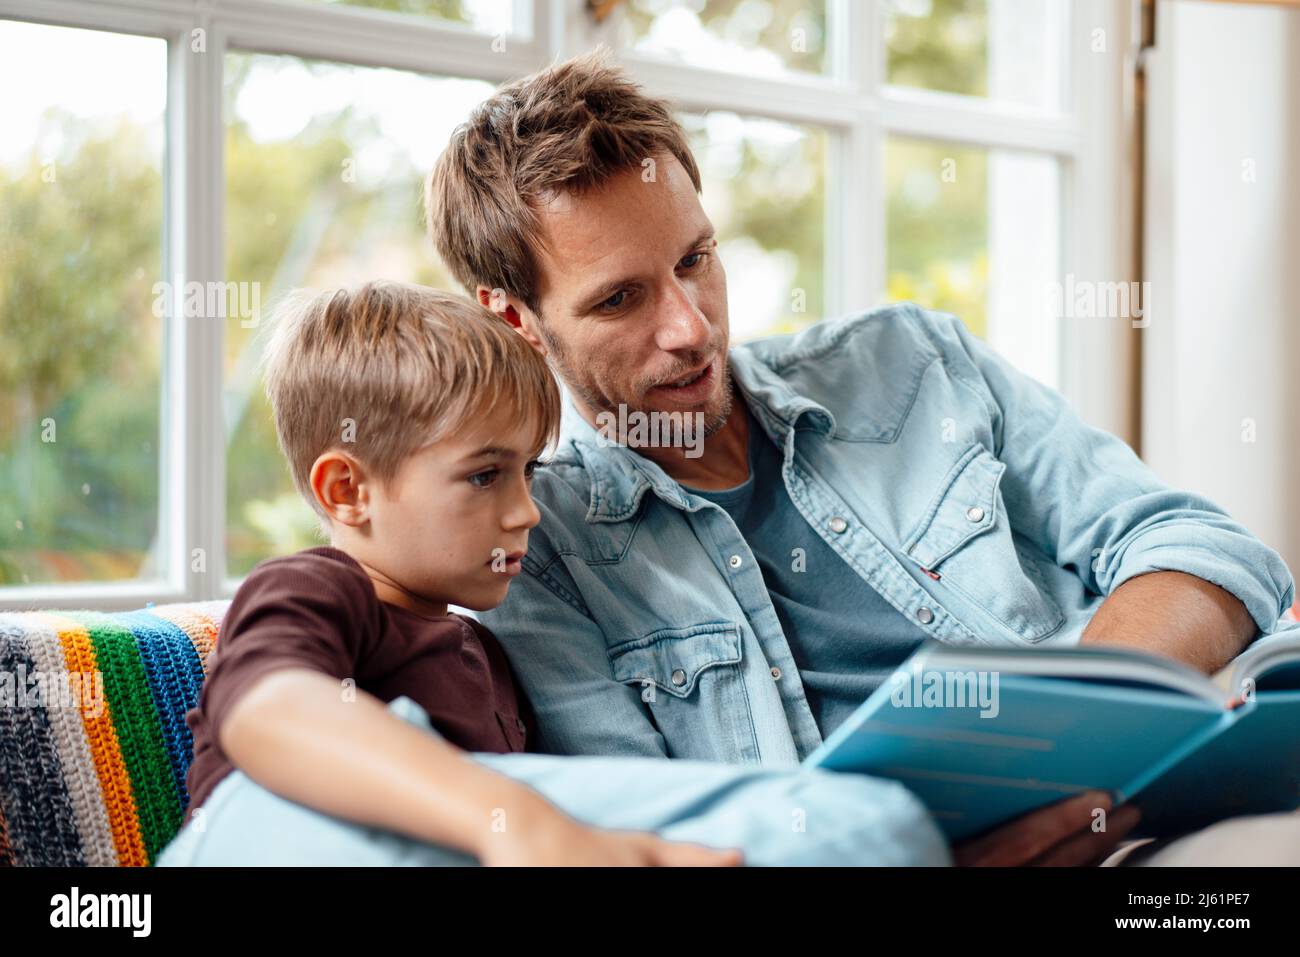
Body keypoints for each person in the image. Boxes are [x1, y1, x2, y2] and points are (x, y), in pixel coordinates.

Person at [424, 50, 1300, 865]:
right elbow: (649, 842)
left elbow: (1203, 549)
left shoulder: (910, 362)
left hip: (1151, 826)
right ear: (516, 319)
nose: (691, 328)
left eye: (697, 259)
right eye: (620, 299)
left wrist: (1080, 737)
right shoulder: (534, 554)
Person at [157, 281, 952, 867]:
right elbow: (266, 711)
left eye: (529, 472)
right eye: (484, 476)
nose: (527, 512)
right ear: (348, 491)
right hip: (257, 837)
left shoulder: (488, 650)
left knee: (864, 832)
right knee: (866, 831)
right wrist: (514, 818)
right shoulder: (319, 587)